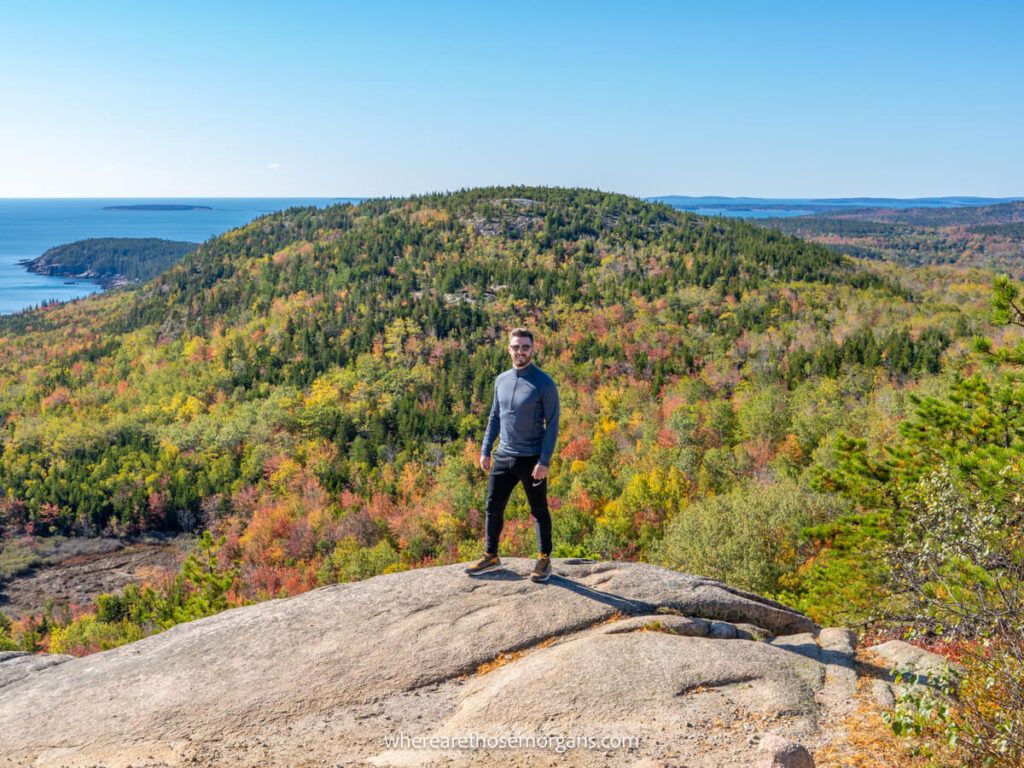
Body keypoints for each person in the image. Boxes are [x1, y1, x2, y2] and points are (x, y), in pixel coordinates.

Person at [465, 328, 560, 582]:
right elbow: (494, 417)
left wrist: (544, 461)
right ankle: (491, 556)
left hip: (531, 460)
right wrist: (485, 450)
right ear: (509, 349)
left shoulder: (544, 383)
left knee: (539, 510)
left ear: (533, 349)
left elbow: (552, 425)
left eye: (525, 347)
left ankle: (543, 560)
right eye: (516, 347)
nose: (520, 351)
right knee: (492, 507)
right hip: (504, 456)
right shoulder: (501, 380)